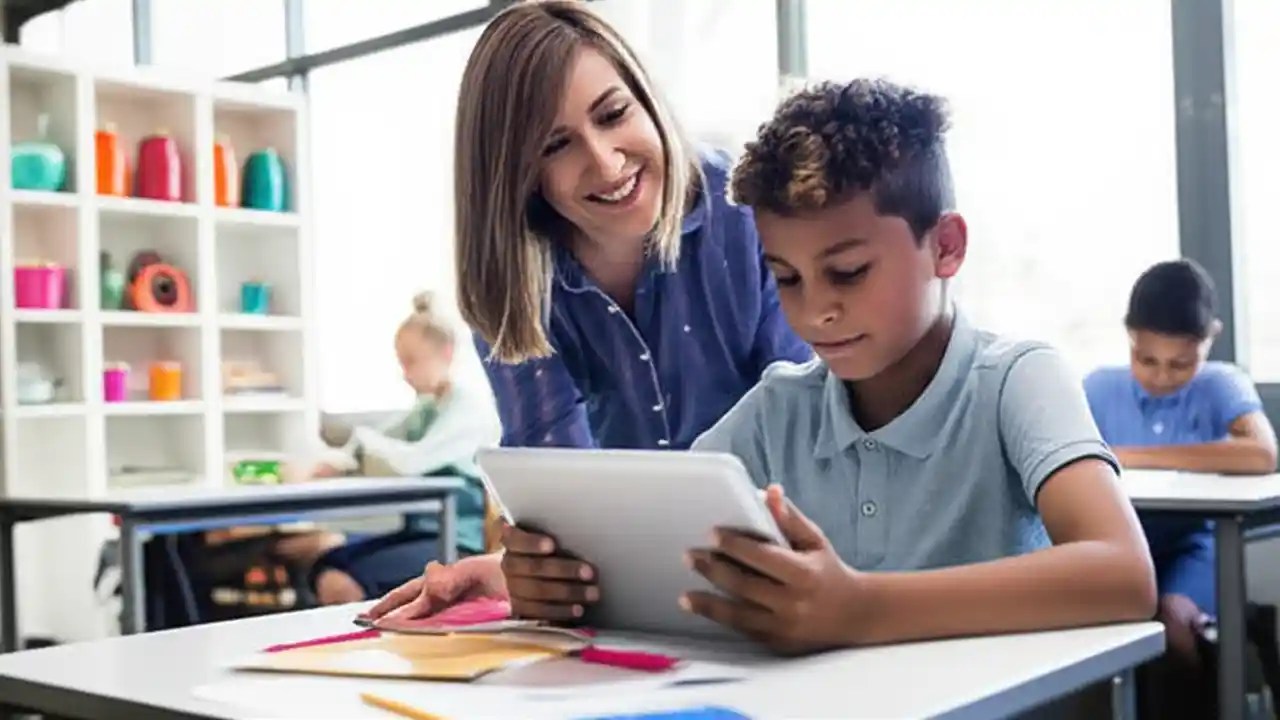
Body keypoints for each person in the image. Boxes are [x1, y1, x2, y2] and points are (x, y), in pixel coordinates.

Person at [376, 76, 1157, 651]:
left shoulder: (1020, 378)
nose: (815, 309)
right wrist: (504, 573)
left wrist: (862, 610)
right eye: (785, 278)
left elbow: (1123, 574)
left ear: (945, 247)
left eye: (848, 272)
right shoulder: (780, 407)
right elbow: (644, 535)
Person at [364, 0, 809, 624]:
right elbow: (556, 500)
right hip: (639, 609)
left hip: (786, 580)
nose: (604, 161)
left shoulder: (746, 210)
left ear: (646, 98)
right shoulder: (514, 278)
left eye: (613, 114)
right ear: (520, 175)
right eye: (555, 145)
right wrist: (529, 570)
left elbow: (811, 433)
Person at [1084, 259, 1277, 701]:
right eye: (1146, 358)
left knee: (1172, 618)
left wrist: (1130, 457)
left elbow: (1262, 453)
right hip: (1119, 545)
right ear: (1128, 335)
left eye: (1181, 363)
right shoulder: (1098, 388)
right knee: (1094, 622)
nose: (1162, 376)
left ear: (1211, 338)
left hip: (1198, 547)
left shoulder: (1222, 385)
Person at [304, 291, 501, 605]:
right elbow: (383, 440)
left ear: (446, 353)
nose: (405, 373)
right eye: (400, 362)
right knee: (325, 563)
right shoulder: (426, 409)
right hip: (420, 534)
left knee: (339, 579)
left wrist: (361, 445)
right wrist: (339, 461)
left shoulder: (469, 409)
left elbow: (410, 459)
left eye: (411, 361)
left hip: (456, 541)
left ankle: (365, 647)